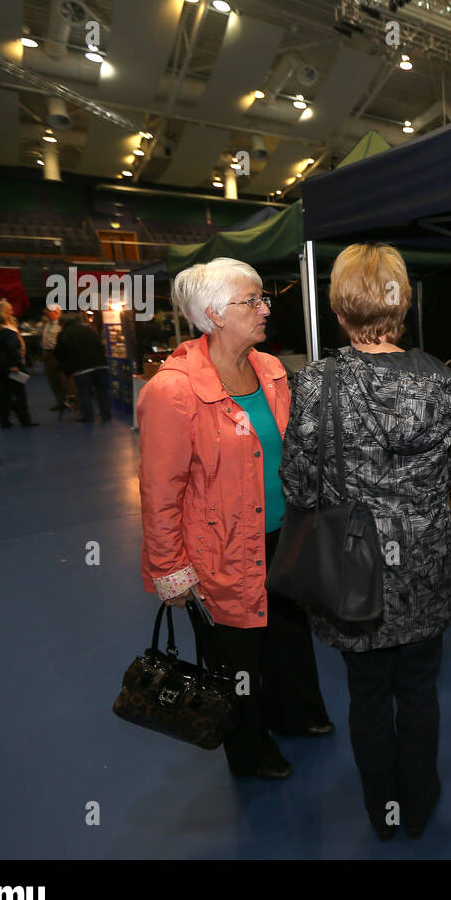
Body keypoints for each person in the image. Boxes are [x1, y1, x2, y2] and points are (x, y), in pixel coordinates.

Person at [281, 243, 451, 842]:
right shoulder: (444, 382)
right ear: (402, 302)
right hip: (424, 564)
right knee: (419, 689)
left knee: (366, 695)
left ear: (340, 311)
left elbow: (299, 486)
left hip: (352, 566)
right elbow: (442, 472)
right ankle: (418, 805)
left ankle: (381, 812)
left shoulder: (315, 385)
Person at [137, 257, 334, 781]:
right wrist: (168, 567)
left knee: (289, 635)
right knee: (238, 657)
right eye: (254, 300)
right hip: (222, 550)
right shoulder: (172, 391)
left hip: (283, 536)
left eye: (262, 299)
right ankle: (249, 750)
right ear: (214, 314)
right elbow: (160, 491)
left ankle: (296, 713)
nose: (266, 308)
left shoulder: (269, 369)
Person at [0, 302, 37, 429]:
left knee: (3, 395)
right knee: (20, 393)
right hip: (15, 367)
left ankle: (4, 421)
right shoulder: (10, 333)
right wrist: (16, 363)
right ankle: (25, 420)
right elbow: (13, 349)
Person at [54, 313, 112, 422]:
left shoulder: (64, 334)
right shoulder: (88, 329)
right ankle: (106, 414)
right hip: (100, 364)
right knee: (102, 391)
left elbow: (59, 353)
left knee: (84, 392)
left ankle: (88, 415)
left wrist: (64, 368)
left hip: (81, 367)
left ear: (62, 324)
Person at [39, 303, 70, 412]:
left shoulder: (61, 325)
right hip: (47, 354)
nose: (45, 312)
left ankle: (71, 401)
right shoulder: (47, 323)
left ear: (56, 312)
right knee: (52, 380)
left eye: (48, 311)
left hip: (57, 354)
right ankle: (60, 401)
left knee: (63, 379)